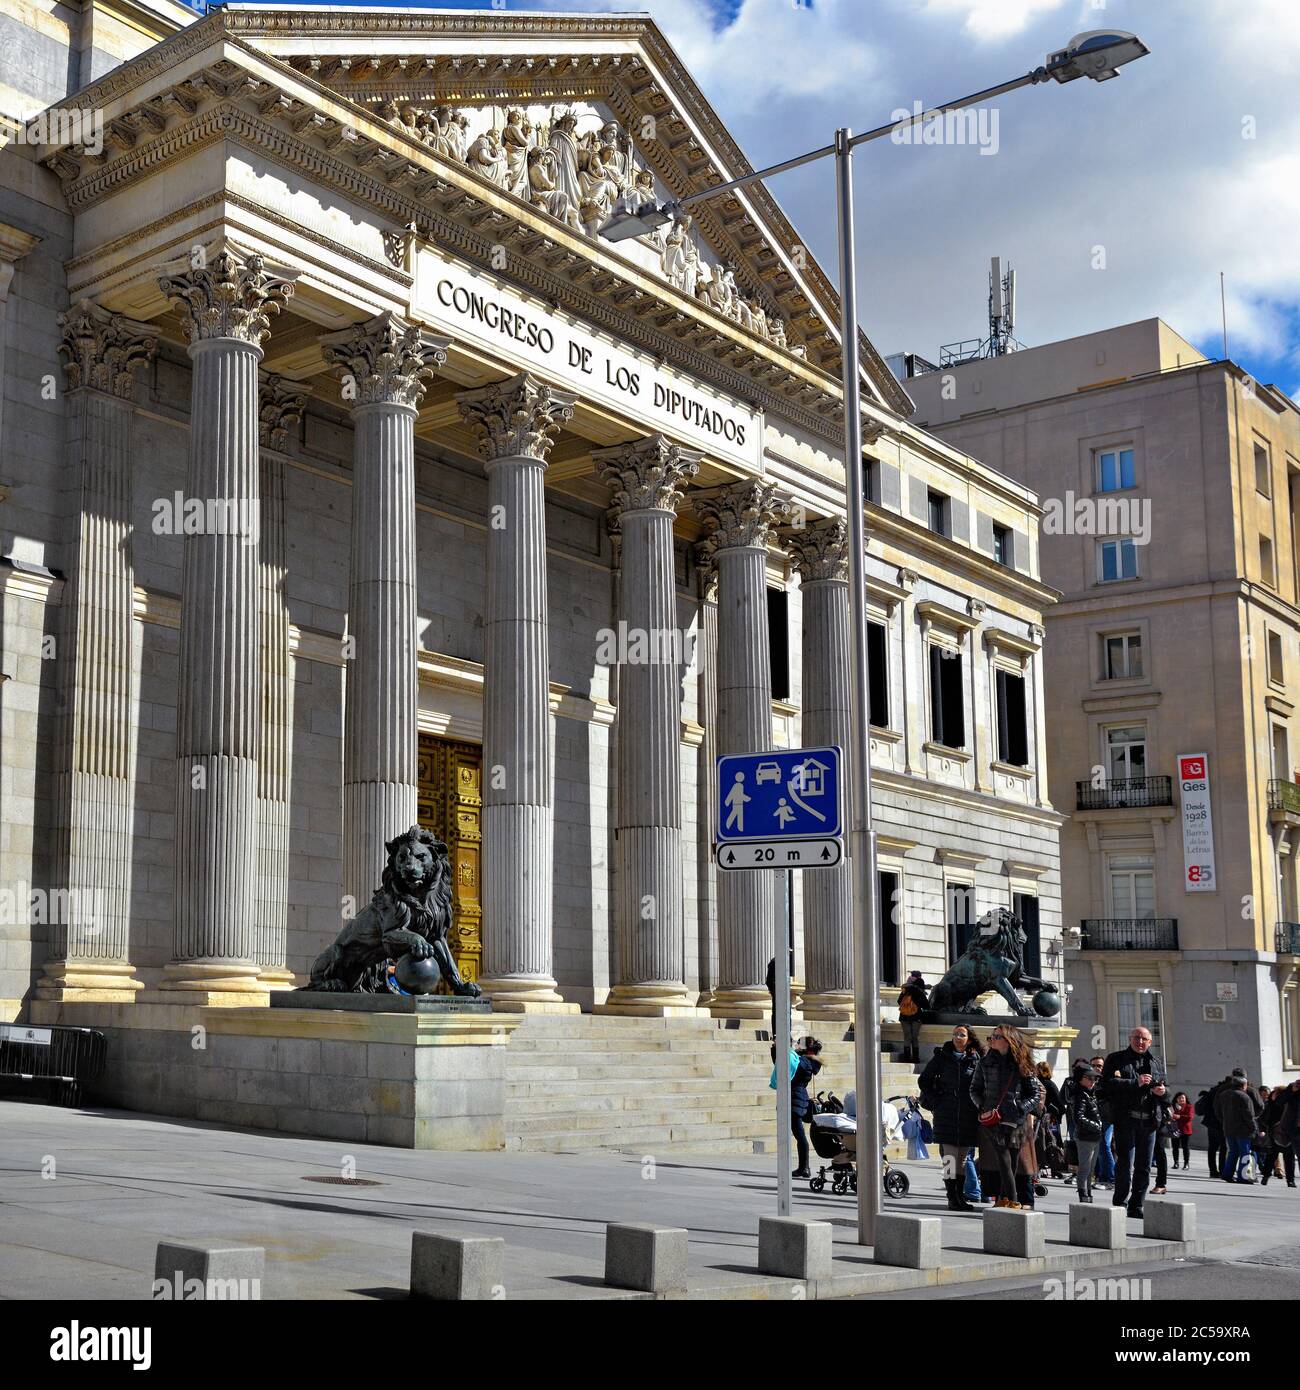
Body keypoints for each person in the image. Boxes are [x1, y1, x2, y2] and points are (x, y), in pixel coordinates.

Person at [970, 1025, 1042, 1209]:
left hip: (1016, 1120)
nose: (992, 1039)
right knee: (1003, 1158)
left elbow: (1034, 1094)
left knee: (1013, 1160)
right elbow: (974, 1089)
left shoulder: (1022, 1063)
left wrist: (1020, 1108)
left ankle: (1004, 1198)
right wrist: (982, 1107)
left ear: (1009, 1040)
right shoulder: (985, 1062)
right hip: (993, 1119)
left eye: (997, 1037)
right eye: (992, 1036)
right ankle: (1014, 1199)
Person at [1100, 1026, 1166, 1218]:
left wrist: (1163, 1092)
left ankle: (1137, 1205)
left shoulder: (1156, 1062)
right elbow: (1106, 1084)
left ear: (1150, 1042)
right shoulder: (1116, 1059)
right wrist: (1134, 1083)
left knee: (1144, 1166)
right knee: (1125, 1163)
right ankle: (1120, 1202)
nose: (1140, 1042)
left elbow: (1167, 1090)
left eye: (1144, 1039)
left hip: (1150, 1121)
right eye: (1136, 1038)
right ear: (1129, 1039)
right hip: (1126, 1118)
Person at [918, 1022, 981, 1211]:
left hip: (968, 1115)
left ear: (969, 1038)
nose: (957, 1038)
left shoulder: (976, 1058)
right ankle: (951, 1197)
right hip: (946, 1113)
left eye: (961, 1035)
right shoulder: (942, 1057)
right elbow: (924, 1080)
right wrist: (937, 1100)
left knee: (962, 1158)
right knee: (949, 1159)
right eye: (955, 1034)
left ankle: (959, 1197)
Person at [776, 1035, 823, 1179]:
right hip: (797, 1097)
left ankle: (804, 1167)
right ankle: (803, 1167)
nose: (796, 1046)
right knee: (799, 1135)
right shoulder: (807, 1061)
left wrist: (784, 1050)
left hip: (795, 1099)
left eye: (799, 1044)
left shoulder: (804, 1062)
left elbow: (786, 1065)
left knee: (800, 1135)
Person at [1215, 1073, 1262, 1183]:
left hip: (1228, 1128)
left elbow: (1218, 1111)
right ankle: (1243, 1176)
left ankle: (1227, 1174)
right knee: (1245, 1153)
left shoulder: (1224, 1095)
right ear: (1244, 1085)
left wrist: (1225, 1122)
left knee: (1232, 1152)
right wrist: (1254, 1129)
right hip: (1243, 1130)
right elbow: (1249, 1115)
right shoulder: (1244, 1097)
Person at [1071, 1067, 1105, 1202]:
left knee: (1090, 1168)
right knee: (1085, 1167)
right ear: (1081, 1079)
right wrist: (1096, 1126)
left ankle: (1088, 1192)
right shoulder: (1081, 1095)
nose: (1093, 1081)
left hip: (1094, 1136)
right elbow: (1078, 1118)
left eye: (1095, 1079)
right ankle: (1083, 1193)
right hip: (1085, 1137)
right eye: (1089, 1078)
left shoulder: (1090, 1093)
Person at [1260, 1081, 1298, 1188]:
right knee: (1288, 1157)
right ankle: (1290, 1180)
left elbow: (1266, 1118)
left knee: (1272, 1156)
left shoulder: (1273, 1103)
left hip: (1275, 1132)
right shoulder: (1288, 1103)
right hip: (1287, 1132)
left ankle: (1266, 1177)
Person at [1090, 1053, 1116, 1188]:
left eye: (1099, 1065)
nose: (1096, 1068)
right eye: (1093, 1065)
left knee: (1105, 1145)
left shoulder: (1107, 1080)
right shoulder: (1090, 1081)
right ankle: (1102, 1177)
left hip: (1107, 1117)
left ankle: (1112, 1177)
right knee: (1100, 1147)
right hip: (1096, 1118)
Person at [897, 972, 929, 1064]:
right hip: (916, 1017)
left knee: (907, 1037)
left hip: (903, 1017)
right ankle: (915, 1058)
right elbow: (926, 1005)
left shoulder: (905, 990)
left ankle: (906, 1058)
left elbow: (899, 1001)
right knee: (914, 1037)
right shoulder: (919, 992)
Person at [1149, 1080, 1173, 1194]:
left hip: (1158, 1122)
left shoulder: (1158, 1074)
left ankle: (1161, 1184)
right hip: (1141, 1120)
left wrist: (1162, 1092)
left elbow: (1167, 1093)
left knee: (1159, 1152)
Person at [1170, 1091, 1194, 1170]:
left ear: (1186, 1099)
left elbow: (1189, 1117)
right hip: (1175, 1129)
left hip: (1185, 1130)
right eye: (1179, 1098)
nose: (1181, 1099)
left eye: (1183, 1098)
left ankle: (1186, 1163)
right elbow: (1170, 1116)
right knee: (1175, 1147)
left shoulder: (1189, 1107)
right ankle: (1176, 1163)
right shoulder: (1172, 1107)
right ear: (1176, 1099)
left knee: (1185, 1147)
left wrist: (1179, 1117)